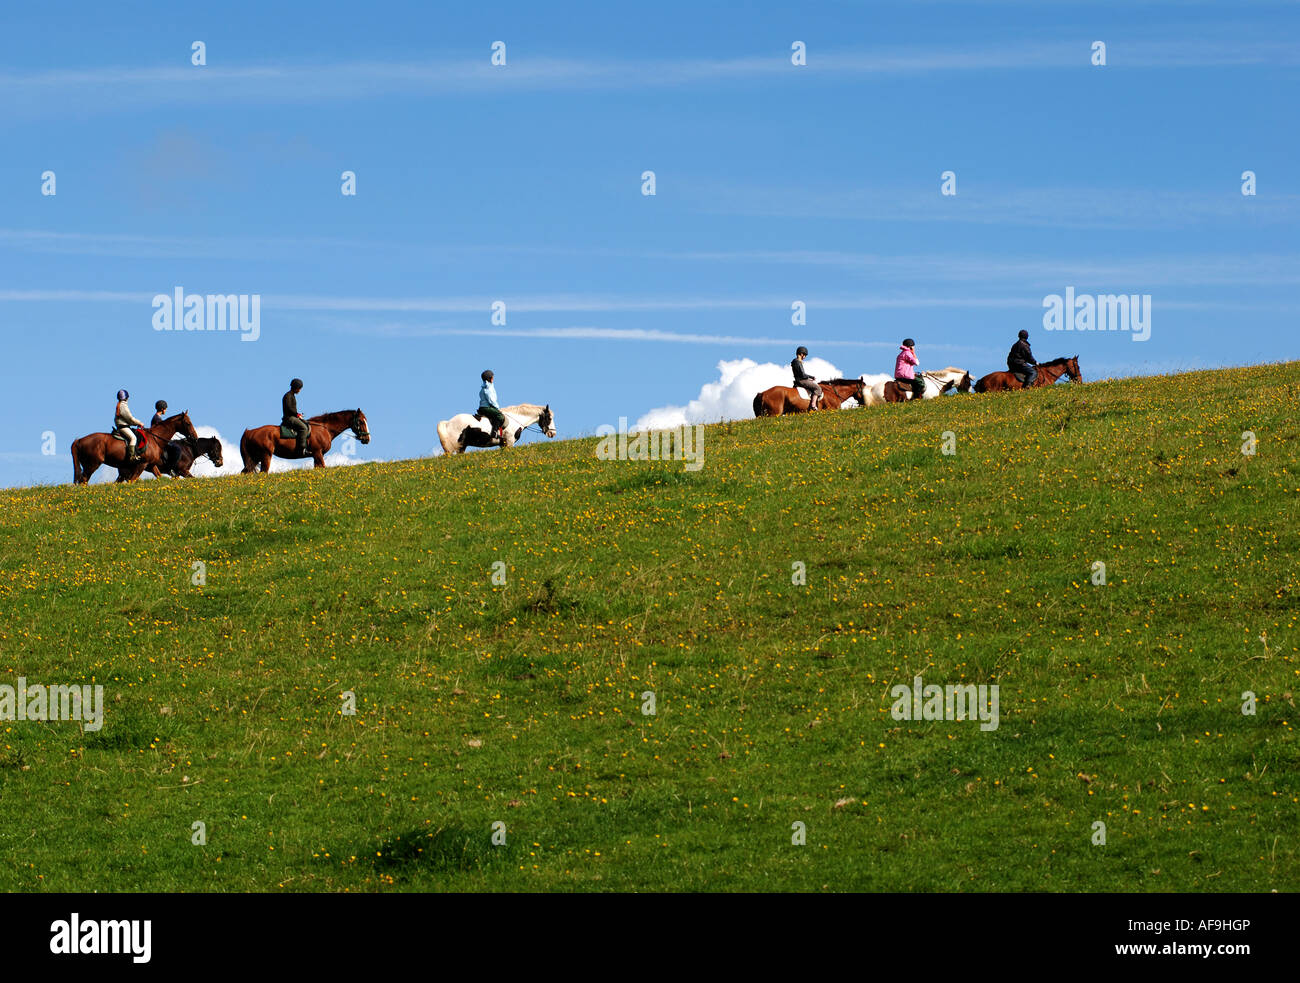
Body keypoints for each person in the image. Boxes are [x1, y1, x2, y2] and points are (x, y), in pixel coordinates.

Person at [113, 389, 146, 460]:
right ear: (126, 397)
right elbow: (130, 418)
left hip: (123, 426)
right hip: (123, 427)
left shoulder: (120, 405)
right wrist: (139, 422)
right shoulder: (123, 406)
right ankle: (131, 456)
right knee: (133, 438)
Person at [282, 378, 311, 457]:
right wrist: (297, 414)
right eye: (300, 389)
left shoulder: (292, 395)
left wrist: (297, 415)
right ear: (296, 388)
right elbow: (289, 408)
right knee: (304, 428)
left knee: (307, 423)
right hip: (289, 418)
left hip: (293, 416)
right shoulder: (288, 396)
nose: (300, 391)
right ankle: (302, 449)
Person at [477, 370, 506, 438]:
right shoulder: (488, 387)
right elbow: (491, 400)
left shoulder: (486, 386)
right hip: (486, 408)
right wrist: (497, 408)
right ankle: (494, 432)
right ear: (489, 379)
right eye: (492, 377)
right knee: (500, 416)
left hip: (484, 407)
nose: (493, 378)